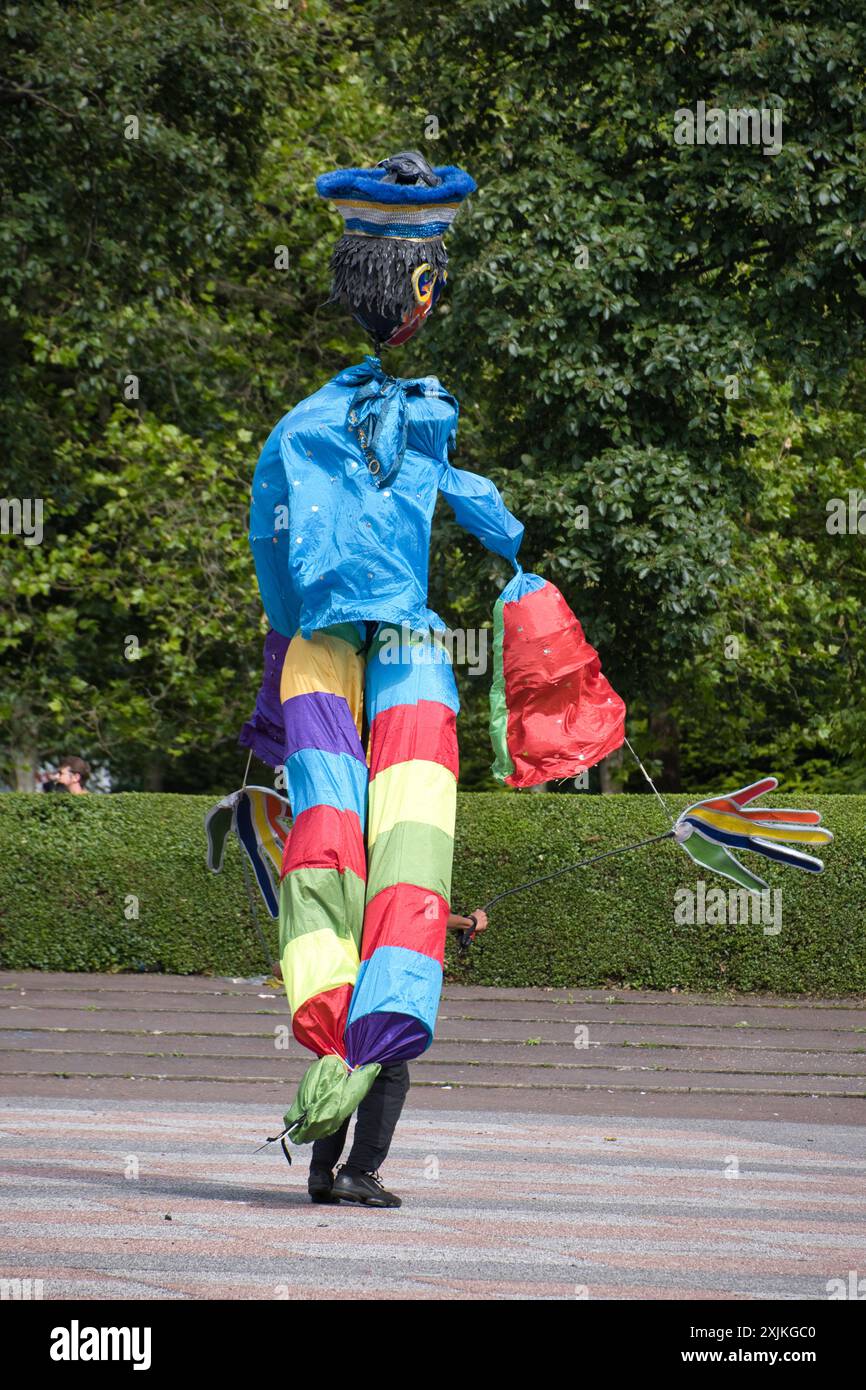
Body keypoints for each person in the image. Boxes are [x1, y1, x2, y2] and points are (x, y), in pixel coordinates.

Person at [307, 909, 488, 1207]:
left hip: (333, 988)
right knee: (388, 1076)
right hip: (374, 987)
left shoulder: (341, 870)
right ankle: (357, 1173)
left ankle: (320, 1172)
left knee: (340, 1071)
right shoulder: (382, 867)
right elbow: (414, 911)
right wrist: (468, 923)